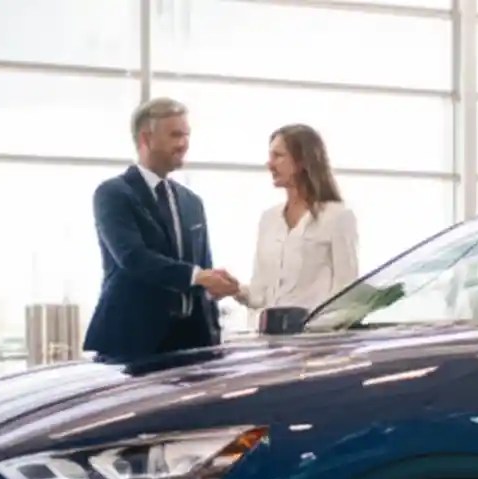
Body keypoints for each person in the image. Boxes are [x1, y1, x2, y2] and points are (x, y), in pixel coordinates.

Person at [84, 98, 240, 361]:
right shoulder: (113, 194)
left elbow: (203, 267)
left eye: (186, 134)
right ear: (146, 138)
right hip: (132, 343)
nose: (184, 143)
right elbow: (132, 257)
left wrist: (217, 285)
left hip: (193, 342)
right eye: (175, 135)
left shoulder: (192, 202)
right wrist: (199, 276)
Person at [234, 124, 359, 326]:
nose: (270, 164)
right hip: (269, 340)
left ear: (302, 161)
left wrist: (319, 330)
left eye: (278, 156)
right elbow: (259, 295)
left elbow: (346, 292)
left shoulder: (337, 217)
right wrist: (235, 289)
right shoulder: (269, 219)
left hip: (314, 344)